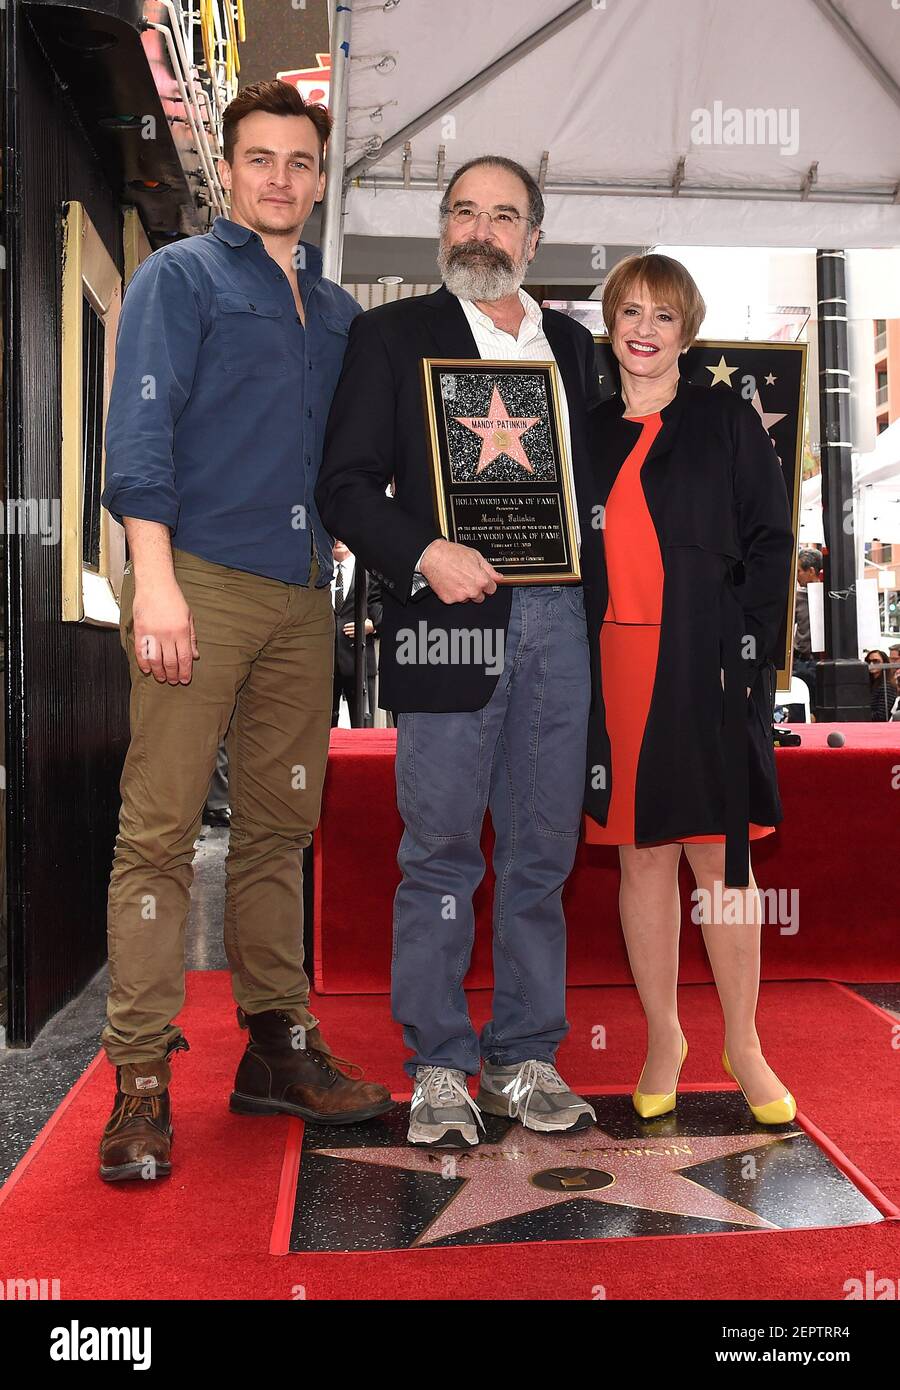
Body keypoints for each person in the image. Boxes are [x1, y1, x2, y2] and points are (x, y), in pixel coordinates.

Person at [97, 80, 393, 1184]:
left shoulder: (343, 314)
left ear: (320, 177)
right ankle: (137, 1075)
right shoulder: (182, 277)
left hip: (301, 593)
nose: (280, 177)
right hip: (200, 583)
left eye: (300, 161)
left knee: (280, 829)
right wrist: (155, 583)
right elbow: (140, 432)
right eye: (259, 157)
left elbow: (356, 465)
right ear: (229, 169)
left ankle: (277, 1047)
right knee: (160, 829)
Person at [318, 155, 602, 1149]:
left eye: (504, 217)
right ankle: (438, 1063)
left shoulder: (578, 349)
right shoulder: (390, 336)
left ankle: (527, 1055)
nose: (481, 232)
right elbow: (345, 486)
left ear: (534, 238)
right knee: (438, 848)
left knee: (542, 850)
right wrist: (424, 551)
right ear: (443, 228)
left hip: (560, 625)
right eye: (464, 213)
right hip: (445, 621)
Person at [581, 254, 797, 1125]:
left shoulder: (722, 419)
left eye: (663, 316)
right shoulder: (586, 431)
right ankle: (663, 1035)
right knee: (641, 857)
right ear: (610, 324)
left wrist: (743, 655)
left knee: (722, 858)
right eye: (629, 311)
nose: (644, 328)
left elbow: (772, 538)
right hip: (611, 671)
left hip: (707, 667)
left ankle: (742, 1043)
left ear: (687, 332)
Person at [331, 540, 382, 726]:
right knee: (323, 735)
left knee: (364, 731)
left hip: (359, 662)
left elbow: (380, 605)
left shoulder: (369, 570)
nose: (338, 540)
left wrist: (373, 626)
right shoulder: (320, 570)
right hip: (325, 665)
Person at [792, 547, 823, 704]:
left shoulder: (829, 596)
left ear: (811, 571)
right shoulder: (796, 597)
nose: (797, 576)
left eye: (799, 571)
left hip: (819, 661)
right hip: (800, 661)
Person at [865, 650, 894, 721]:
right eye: (868, 661)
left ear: (885, 663)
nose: (871, 664)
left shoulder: (887, 685)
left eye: (876, 661)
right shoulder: (869, 684)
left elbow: (882, 715)